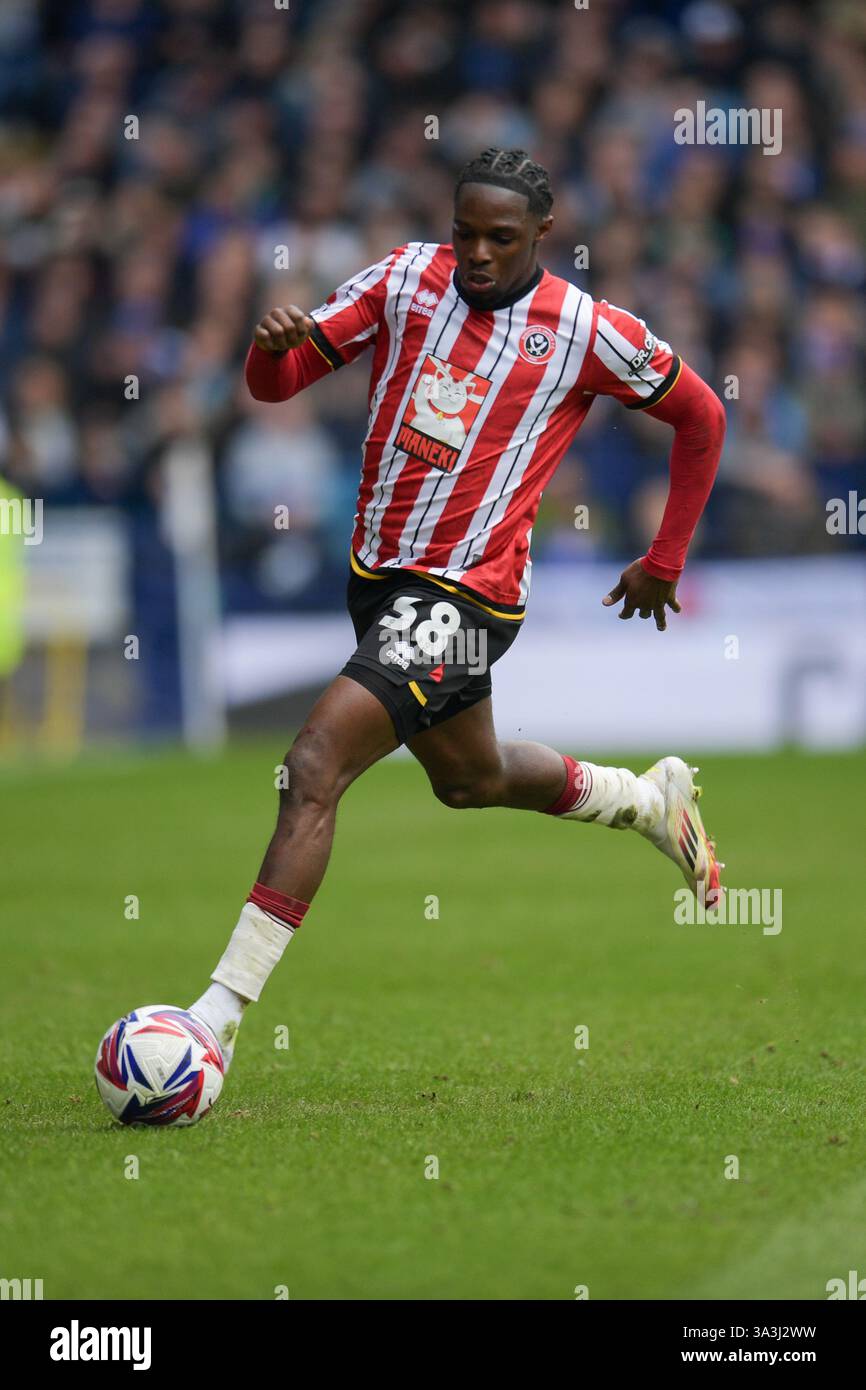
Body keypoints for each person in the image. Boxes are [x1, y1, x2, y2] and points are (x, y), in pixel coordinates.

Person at [188, 149, 726, 1071]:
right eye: (465, 232)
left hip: (468, 595)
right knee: (468, 780)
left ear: (543, 236)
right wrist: (265, 348)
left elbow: (702, 417)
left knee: (313, 763)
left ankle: (214, 1019)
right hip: (378, 581)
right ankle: (646, 800)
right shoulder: (403, 279)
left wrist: (665, 557)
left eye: (500, 239)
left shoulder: (586, 330)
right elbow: (274, 386)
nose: (477, 253)